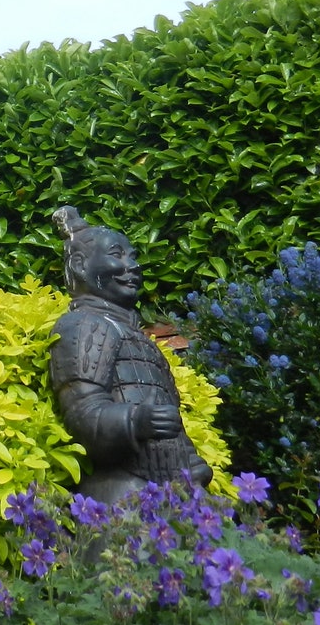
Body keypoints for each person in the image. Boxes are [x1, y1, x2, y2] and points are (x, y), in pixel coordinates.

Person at [49, 206, 212, 503]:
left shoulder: (141, 340)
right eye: (116, 254)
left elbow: (168, 418)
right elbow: (83, 415)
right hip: (123, 492)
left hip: (171, 494)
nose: (132, 266)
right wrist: (135, 420)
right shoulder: (85, 324)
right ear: (81, 265)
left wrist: (191, 462)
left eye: (133, 256)